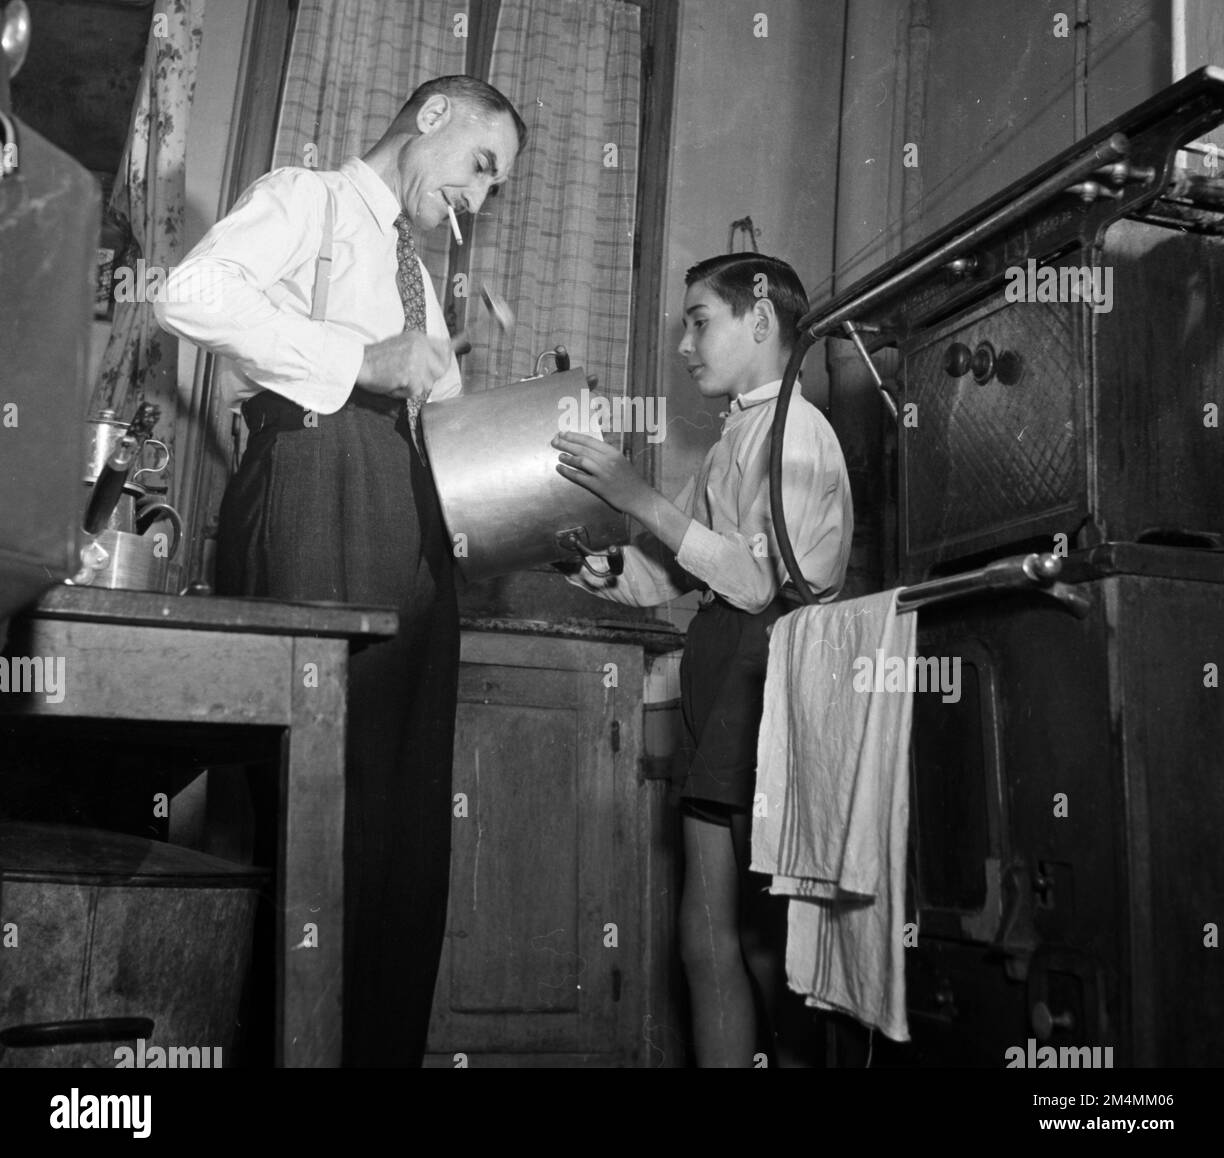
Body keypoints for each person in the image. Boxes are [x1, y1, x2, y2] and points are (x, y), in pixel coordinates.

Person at [155, 74, 526, 1067]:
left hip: (409, 519)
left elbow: (434, 406)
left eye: (499, 190)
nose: (481, 201)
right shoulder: (307, 197)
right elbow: (186, 293)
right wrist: (359, 357)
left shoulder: (415, 262)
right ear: (432, 116)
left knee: (405, 834)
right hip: (321, 487)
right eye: (482, 168)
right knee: (327, 813)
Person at [552, 251, 852, 1067]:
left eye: (698, 322)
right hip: (726, 671)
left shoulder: (798, 435)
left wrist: (633, 494)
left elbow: (756, 582)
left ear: (760, 321)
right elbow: (667, 570)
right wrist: (601, 566)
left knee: (758, 942)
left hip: (771, 675)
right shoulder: (736, 437)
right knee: (709, 935)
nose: (685, 345)